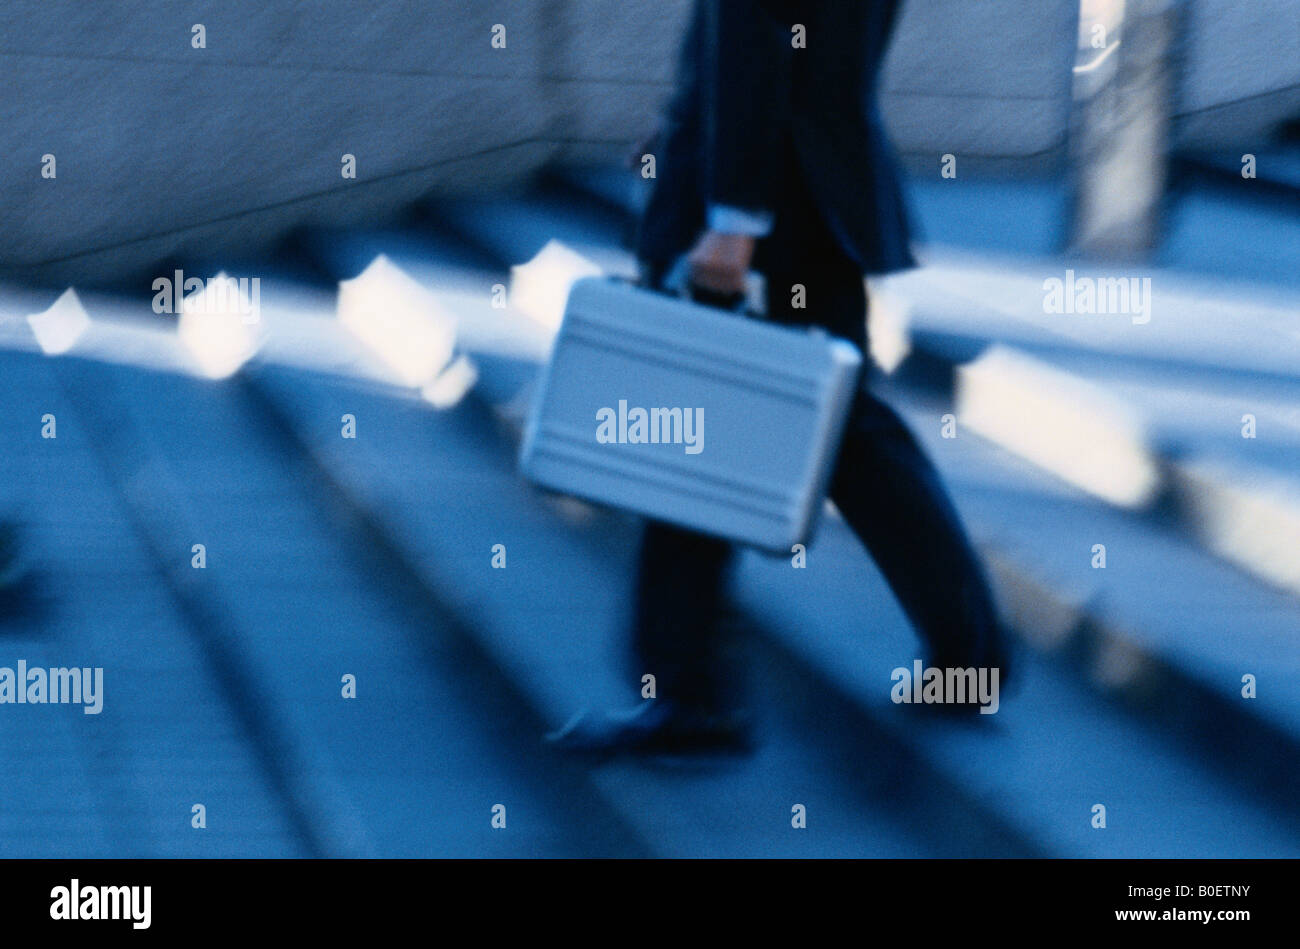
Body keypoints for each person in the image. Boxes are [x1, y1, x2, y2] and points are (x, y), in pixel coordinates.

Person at [551, 0, 1009, 754]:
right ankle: (966, 657)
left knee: (707, 428)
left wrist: (734, 218)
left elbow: (757, 34)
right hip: (808, 193)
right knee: (844, 430)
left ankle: (691, 693)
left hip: (773, 211)